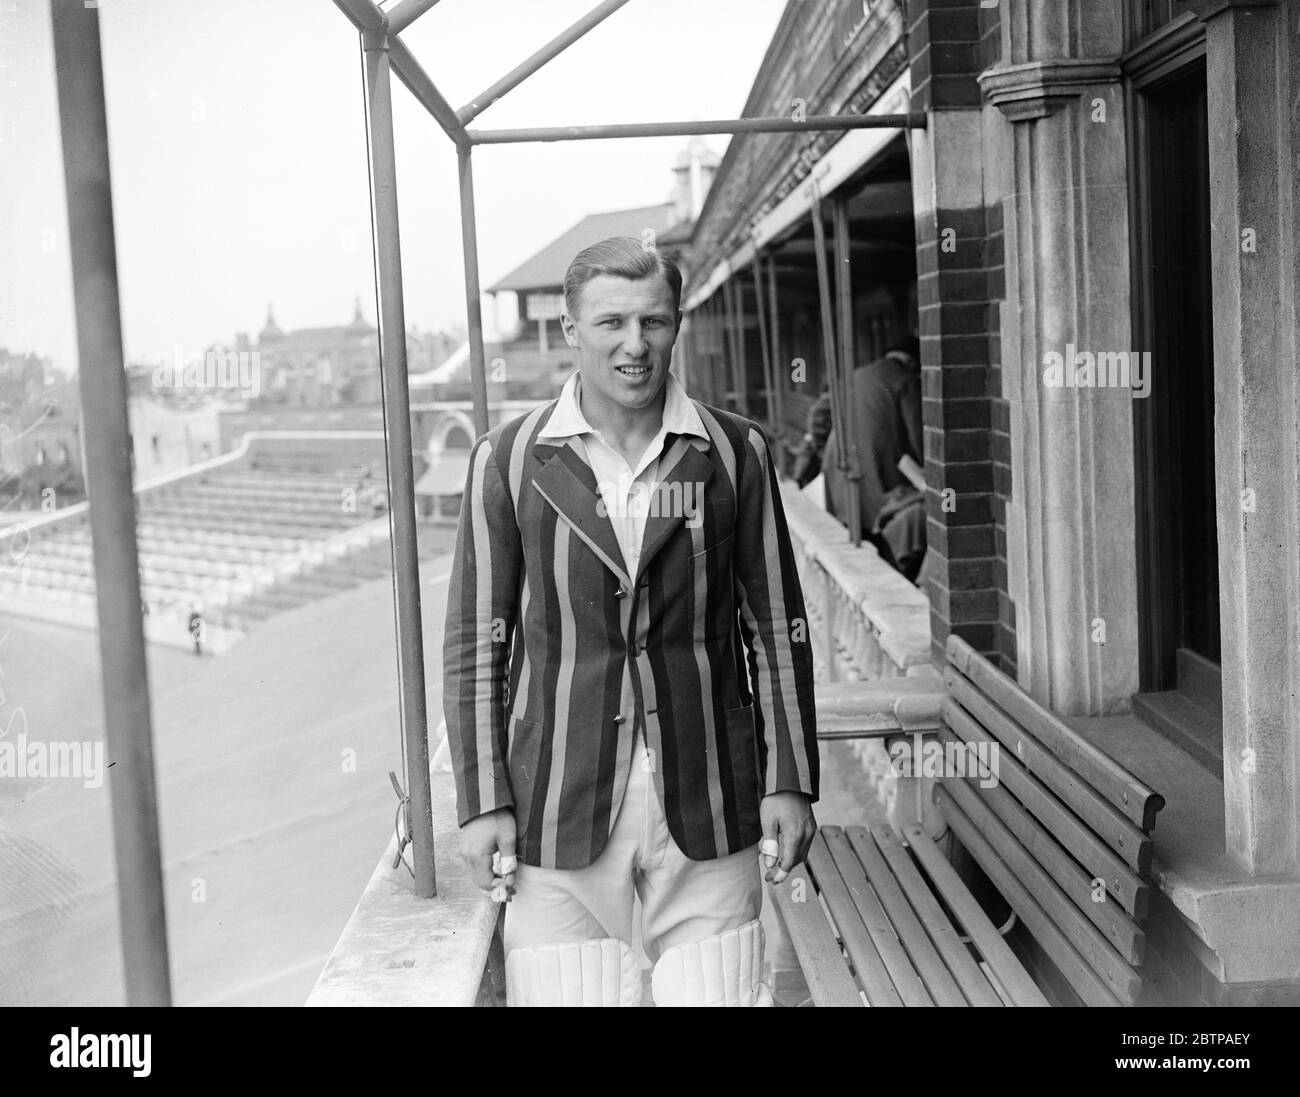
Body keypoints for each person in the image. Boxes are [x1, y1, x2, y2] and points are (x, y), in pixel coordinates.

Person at [443, 236, 819, 1008]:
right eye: (611, 321)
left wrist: (790, 778)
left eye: (653, 320)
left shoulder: (734, 452)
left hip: (711, 805)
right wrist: (483, 800)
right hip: (558, 812)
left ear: (675, 324)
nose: (634, 344)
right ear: (569, 328)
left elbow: (777, 626)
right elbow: (476, 643)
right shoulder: (509, 460)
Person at [822, 333, 924, 572]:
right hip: (876, 474)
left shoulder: (856, 375)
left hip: (843, 472)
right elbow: (918, 437)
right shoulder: (905, 379)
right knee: (889, 543)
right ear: (912, 361)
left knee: (860, 534)